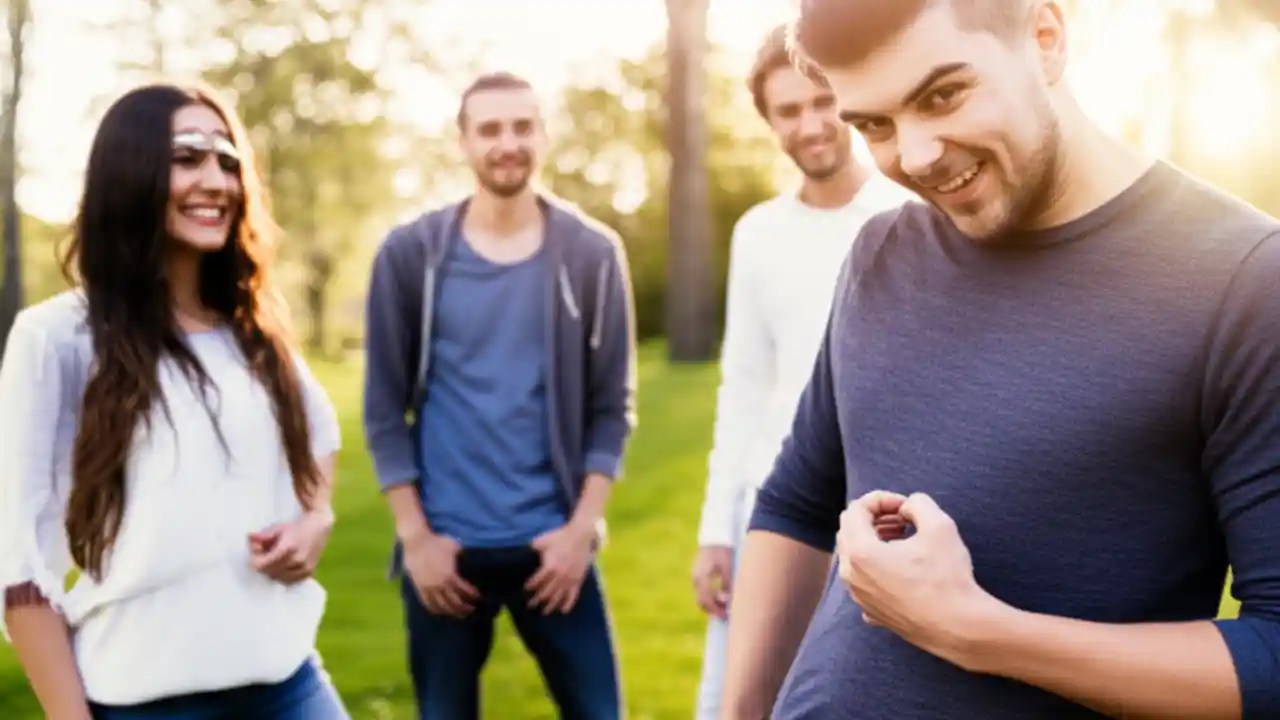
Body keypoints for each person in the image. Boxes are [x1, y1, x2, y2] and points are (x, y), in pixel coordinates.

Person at [720, 1, 1280, 718]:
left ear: (1045, 40)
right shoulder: (881, 252)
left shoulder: (1243, 281)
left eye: (943, 95)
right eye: (875, 126)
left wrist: (979, 633)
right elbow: (796, 503)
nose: (916, 155)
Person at [0, 83, 348, 719]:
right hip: (147, 702)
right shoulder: (56, 340)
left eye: (227, 160)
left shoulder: (254, 333)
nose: (216, 180)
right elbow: (20, 568)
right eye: (187, 157)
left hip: (290, 685)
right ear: (129, 171)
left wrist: (314, 521)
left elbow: (322, 439)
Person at [361, 71, 637, 720]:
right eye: (489, 129)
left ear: (543, 135)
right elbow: (382, 408)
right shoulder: (411, 255)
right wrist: (416, 539)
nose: (507, 143)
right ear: (462, 142)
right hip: (447, 554)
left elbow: (612, 407)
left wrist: (579, 532)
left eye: (522, 126)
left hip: (553, 547)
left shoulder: (592, 254)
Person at [689, 24, 913, 720]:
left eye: (822, 102)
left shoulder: (911, 213)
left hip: (883, 510)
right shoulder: (757, 232)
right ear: (769, 122)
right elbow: (743, 386)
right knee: (750, 698)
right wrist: (716, 530)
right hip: (776, 512)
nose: (811, 125)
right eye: (789, 111)